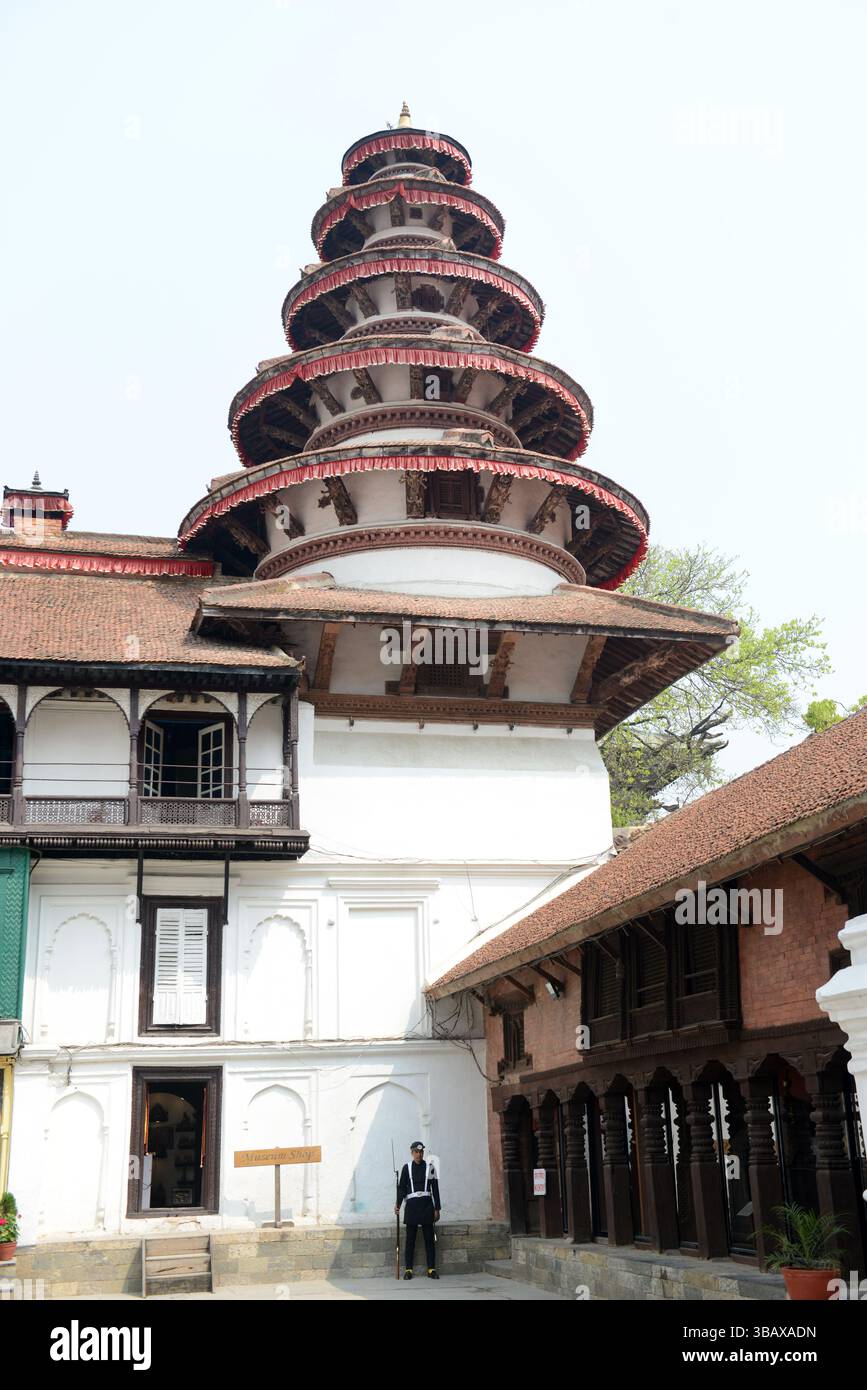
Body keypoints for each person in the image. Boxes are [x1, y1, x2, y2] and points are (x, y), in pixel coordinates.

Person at [395, 1141, 440, 1279]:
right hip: (412, 1206)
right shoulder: (406, 1168)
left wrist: (437, 1208)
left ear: (423, 1153)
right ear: (412, 1152)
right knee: (410, 1240)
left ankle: (431, 1269)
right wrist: (398, 1203)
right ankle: (408, 1270)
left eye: (421, 1152)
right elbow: (402, 1187)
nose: (418, 1154)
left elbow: (435, 1189)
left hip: (427, 1206)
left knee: (429, 1240)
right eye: (416, 1152)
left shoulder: (430, 1167)